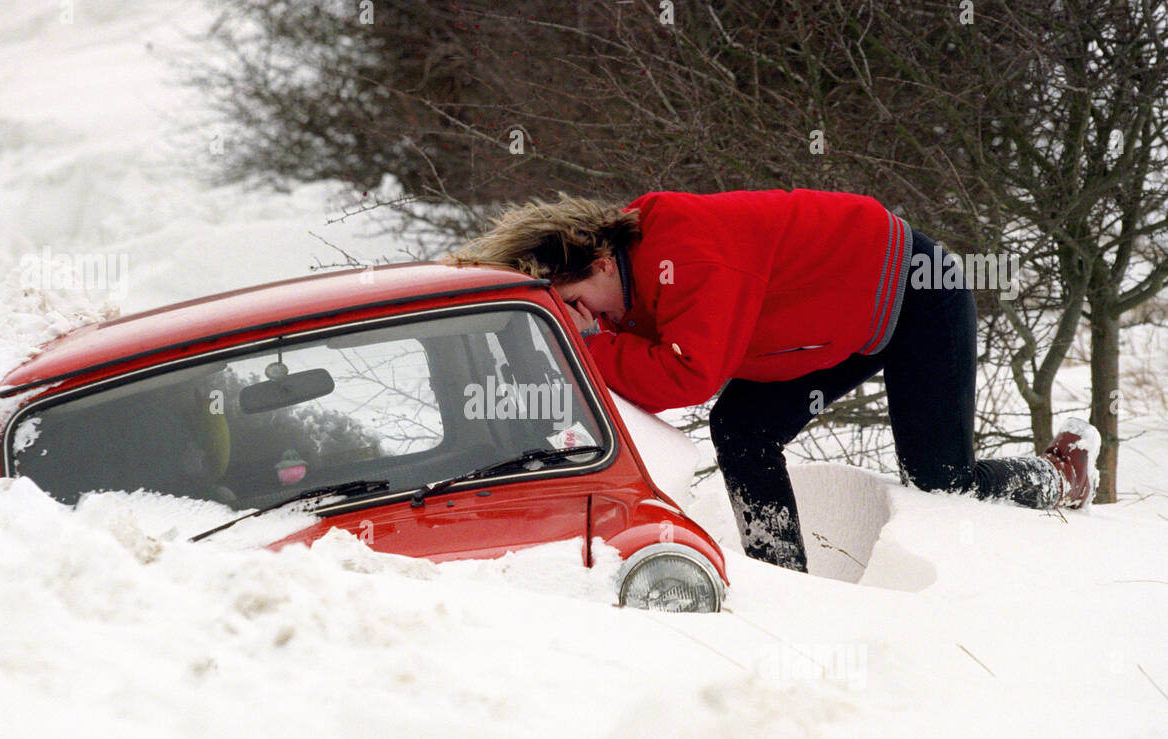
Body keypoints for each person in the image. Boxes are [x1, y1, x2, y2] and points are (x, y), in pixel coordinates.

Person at [446, 189, 1099, 573]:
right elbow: (644, 361)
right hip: (841, 319)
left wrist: (589, 351)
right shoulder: (635, 276)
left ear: (591, 258)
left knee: (939, 476)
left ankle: (1059, 473)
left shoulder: (685, 256)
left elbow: (686, 374)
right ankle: (781, 579)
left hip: (918, 295)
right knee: (743, 428)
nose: (587, 324)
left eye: (577, 304)